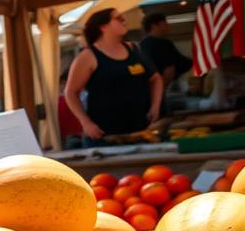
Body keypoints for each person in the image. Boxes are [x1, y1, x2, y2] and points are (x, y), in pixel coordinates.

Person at [65, 8, 163, 142]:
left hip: (141, 130)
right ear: (103, 27)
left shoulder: (135, 49)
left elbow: (156, 79)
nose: (124, 21)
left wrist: (155, 106)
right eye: (118, 18)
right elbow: (70, 93)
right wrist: (86, 122)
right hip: (105, 135)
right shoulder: (88, 56)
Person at [139, 12, 191, 90]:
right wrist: (161, 89)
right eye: (164, 24)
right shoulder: (163, 43)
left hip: (149, 87)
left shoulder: (141, 45)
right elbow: (169, 70)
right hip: (164, 86)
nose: (167, 26)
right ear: (154, 26)